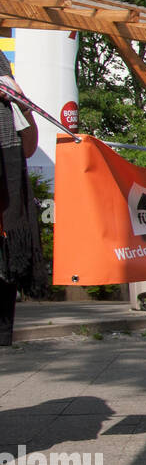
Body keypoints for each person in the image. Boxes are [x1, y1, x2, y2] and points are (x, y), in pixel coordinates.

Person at [0, 52, 45, 346]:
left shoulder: (7, 89)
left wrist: (22, 105)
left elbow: (28, 146)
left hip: (9, 187)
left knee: (7, 265)